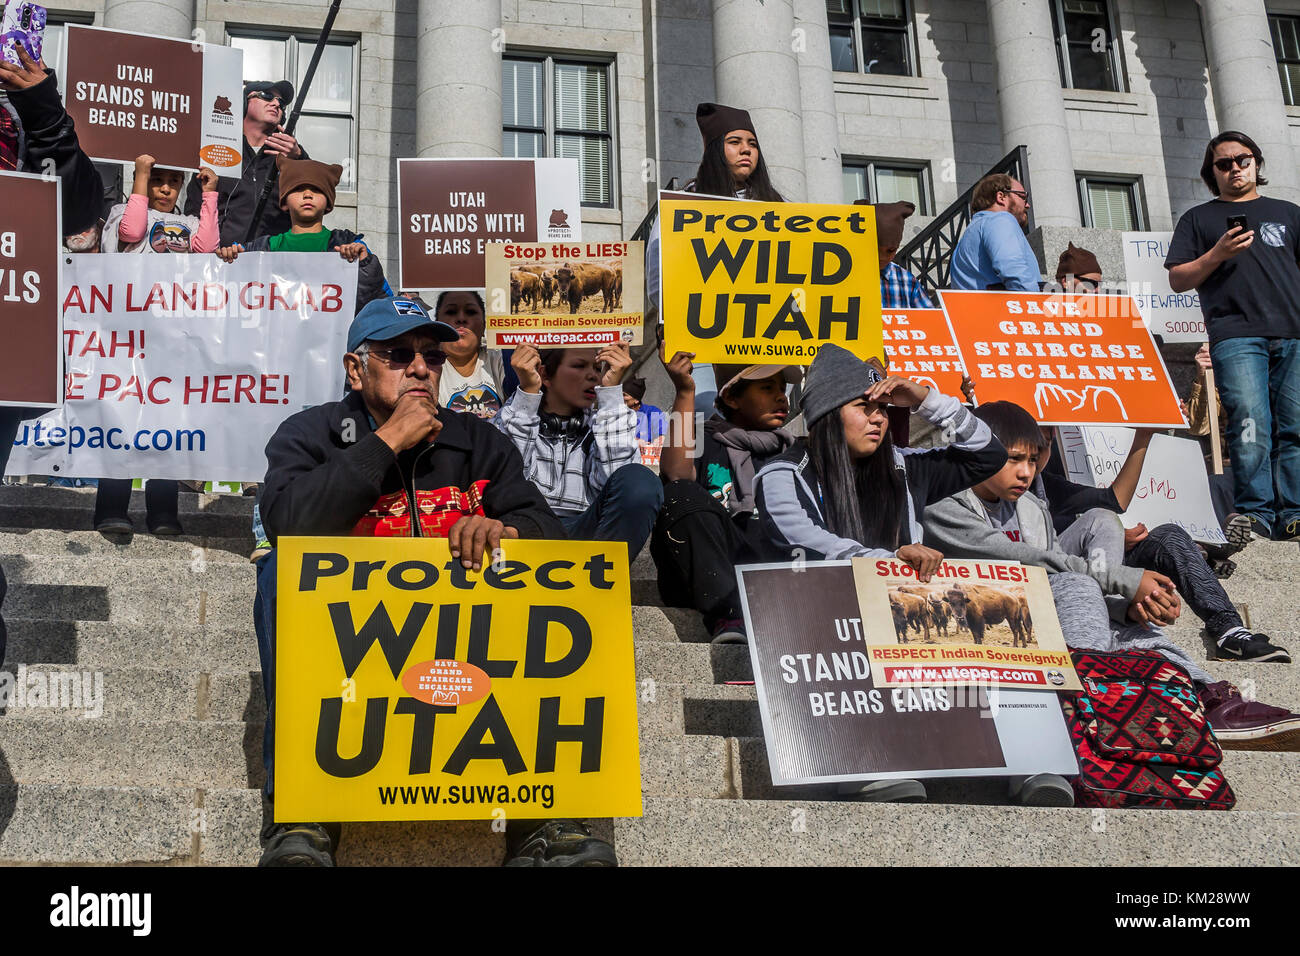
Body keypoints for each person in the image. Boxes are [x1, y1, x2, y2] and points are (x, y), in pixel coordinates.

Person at [253, 297, 614, 866]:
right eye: (399, 354)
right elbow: (288, 525)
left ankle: (545, 817)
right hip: (357, 661)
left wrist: (505, 531)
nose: (421, 368)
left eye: (432, 356)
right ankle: (305, 812)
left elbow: (545, 527)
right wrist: (386, 442)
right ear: (355, 369)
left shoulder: (478, 440)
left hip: (467, 655)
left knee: (551, 573)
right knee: (277, 573)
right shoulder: (309, 433)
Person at [923, 401, 1300, 750]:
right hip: (990, 624)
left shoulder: (1032, 508)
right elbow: (1022, 560)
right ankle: (1093, 696)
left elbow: (1061, 558)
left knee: (1119, 586)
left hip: (1044, 615)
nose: (1026, 472)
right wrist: (1124, 581)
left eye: (1033, 460)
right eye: (1012, 460)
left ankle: (1201, 692)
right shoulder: (943, 506)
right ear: (979, 453)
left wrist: (1125, 609)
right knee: (1077, 584)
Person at [754, 345, 1027, 803]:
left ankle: (1026, 760)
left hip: (903, 625)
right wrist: (887, 561)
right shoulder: (781, 474)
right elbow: (803, 541)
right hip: (824, 633)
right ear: (826, 415)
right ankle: (863, 763)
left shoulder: (906, 466)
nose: (878, 418)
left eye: (882, 407)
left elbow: (988, 455)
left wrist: (924, 399)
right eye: (863, 407)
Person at [1031, 417, 1289, 663]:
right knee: (1102, 520)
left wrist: (1145, 434)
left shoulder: (1046, 482)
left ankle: (1228, 627)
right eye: (1023, 452)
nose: (1033, 458)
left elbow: (1114, 501)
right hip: (1065, 576)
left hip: (1103, 560)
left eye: (1045, 444)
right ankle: (1208, 553)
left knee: (1170, 535)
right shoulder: (1001, 491)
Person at [1165, 130, 1300, 543]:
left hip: (1294, 335)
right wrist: (1217, 253)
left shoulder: (1290, 213)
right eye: (1224, 164)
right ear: (1213, 173)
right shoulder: (1199, 219)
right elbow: (1177, 280)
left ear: (1256, 163)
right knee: (1249, 424)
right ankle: (1255, 515)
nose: (1235, 169)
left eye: (1242, 160)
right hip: (1237, 337)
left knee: (1295, 426)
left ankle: (1294, 514)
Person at [652, 357, 801, 644]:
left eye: (782, 388)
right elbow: (676, 475)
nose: (781, 396)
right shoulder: (705, 440)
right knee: (680, 492)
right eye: (767, 388)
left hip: (776, 575)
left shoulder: (796, 452)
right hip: (712, 574)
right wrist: (684, 391)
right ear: (732, 397)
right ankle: (729, 614)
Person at [495, 343, 663, 556]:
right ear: (545, 374)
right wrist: (528, 392)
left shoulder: (605, 423)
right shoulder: (512, 415)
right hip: (522, 534)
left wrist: (610, 394)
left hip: (590, 538)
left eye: (596, 368)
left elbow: (626, 487)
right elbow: (506, 487)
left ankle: (602, 582)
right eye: (579, 366)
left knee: (641, 479)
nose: (593, 376)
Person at [217, 156, 390, 312]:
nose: (308, 195)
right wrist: (229, 261)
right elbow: (231, 300)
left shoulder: (349, 245)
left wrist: (364, 264)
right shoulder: (259, 249)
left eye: (316, 190)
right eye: (298, 189)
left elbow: (378, 300)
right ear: (284, 201)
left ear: (328, 202)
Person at [185, 79, 307, 247]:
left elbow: (318, 196)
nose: (276, 104)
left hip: (274, 262)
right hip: (222, 261)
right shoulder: (217, 150)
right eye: (267, 96)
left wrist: (299, 158)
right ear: (243, 103)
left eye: (281, 102)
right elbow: (194, 211)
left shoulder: (292, 154)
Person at [104, 154, 219, 254]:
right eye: (157, 180)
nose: (166, 189)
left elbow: (207, 249)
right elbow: (133, 232)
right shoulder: (122, 212)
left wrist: (210, 194)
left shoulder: (191, 223)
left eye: (174, 181)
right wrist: (142, 176)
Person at [948, 173, 1041, 292]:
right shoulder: (1000, 220)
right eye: (1023, 197)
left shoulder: (967, 237)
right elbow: (1014, 270)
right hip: (1011, 308)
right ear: (1001, 197)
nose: (1027, 205)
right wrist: (1036, 305)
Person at [435, 290, 506, 419]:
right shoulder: (427, 368)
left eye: (471, 312)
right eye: (451, 312)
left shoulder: (502, 360)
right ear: (437, 324)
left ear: (484, 326)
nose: (461, 319)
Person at [870, 199, 933, 308]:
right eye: (875, 249)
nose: (882, 257)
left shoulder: (906, 280)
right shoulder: (843, 277)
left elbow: (929, 321)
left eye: (891, 250)